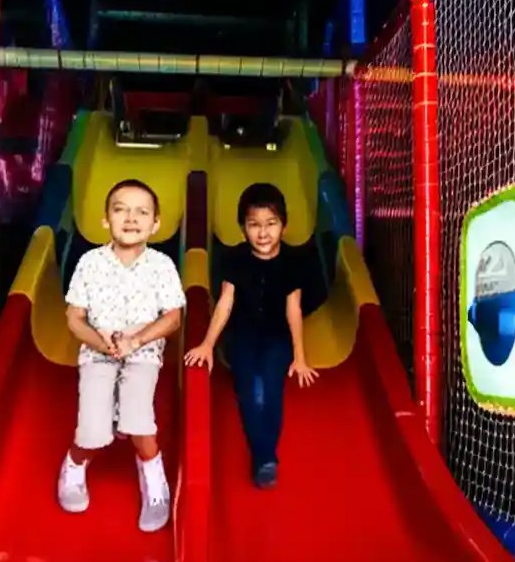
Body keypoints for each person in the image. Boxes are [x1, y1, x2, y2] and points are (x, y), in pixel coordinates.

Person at [57, 179, 186, 532]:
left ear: (155, 224)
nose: (131, 218)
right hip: (98, 353)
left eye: (142, 212)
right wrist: (102, 343)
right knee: (93, 430)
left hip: (142, 354)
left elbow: (173, 317)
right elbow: (74, 317)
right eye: (121, 210)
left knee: (138, 416)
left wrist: (137, 340)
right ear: (105, 220)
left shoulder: (161, 266)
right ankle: (74, 465)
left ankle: (153, 478)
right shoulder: (90, 262)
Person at [184, 182, 319, 489]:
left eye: (271, 224)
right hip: (242, 335)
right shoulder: (235, 259)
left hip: (276, 337)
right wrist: (207, 344)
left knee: (269, 388)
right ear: (242, 228)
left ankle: (264, 457)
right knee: (249, 390)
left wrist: (300, 357)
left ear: (283, 226)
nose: (263, 233)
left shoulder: (292, 263)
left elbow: (293, 310)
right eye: (254, 225)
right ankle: (265, 456)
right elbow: (225, 303)